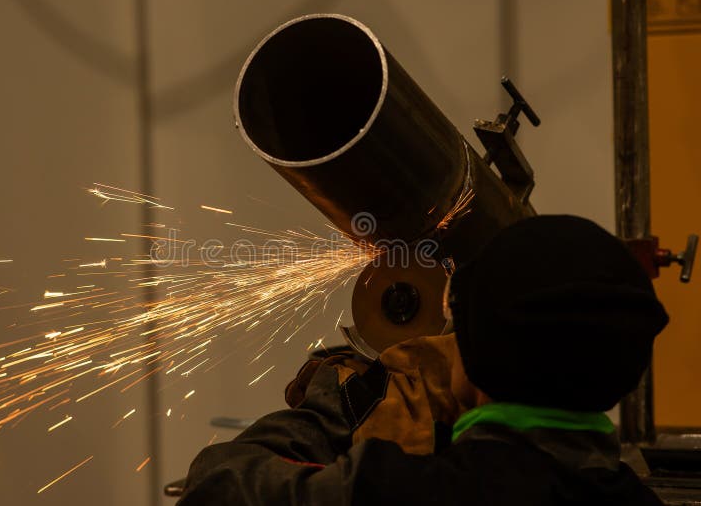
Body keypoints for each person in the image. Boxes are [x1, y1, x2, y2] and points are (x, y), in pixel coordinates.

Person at [178, 215, 669, 505]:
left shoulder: (393, 492)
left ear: (473, 355)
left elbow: (218, 481)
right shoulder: (637, 500)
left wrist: (343, 401)